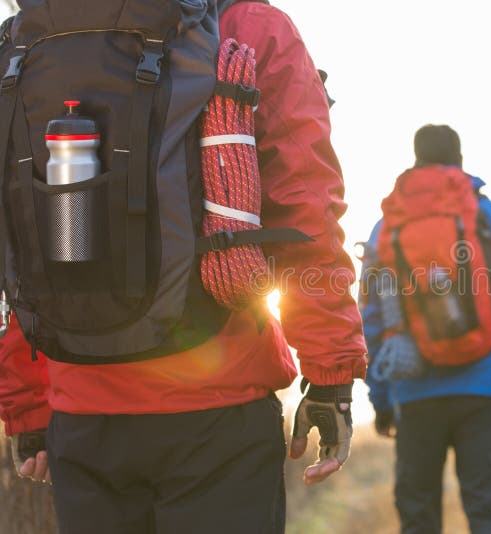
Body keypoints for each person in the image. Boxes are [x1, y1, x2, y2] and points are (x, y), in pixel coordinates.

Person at [0, 2, 366, 533]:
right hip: (219, 413)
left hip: (81, 414)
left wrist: (28, 401)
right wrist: (331, 374)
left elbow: (16, 232)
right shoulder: (246, 27)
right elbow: (306, 206)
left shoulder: (26, 39)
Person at [360, 124, 491, 534]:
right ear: (461, 163)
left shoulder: (386, 229)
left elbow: (372, 321)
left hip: (414, 391)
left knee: (418, 517)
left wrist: (381, 399)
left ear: (414, 163)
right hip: (484, 386)